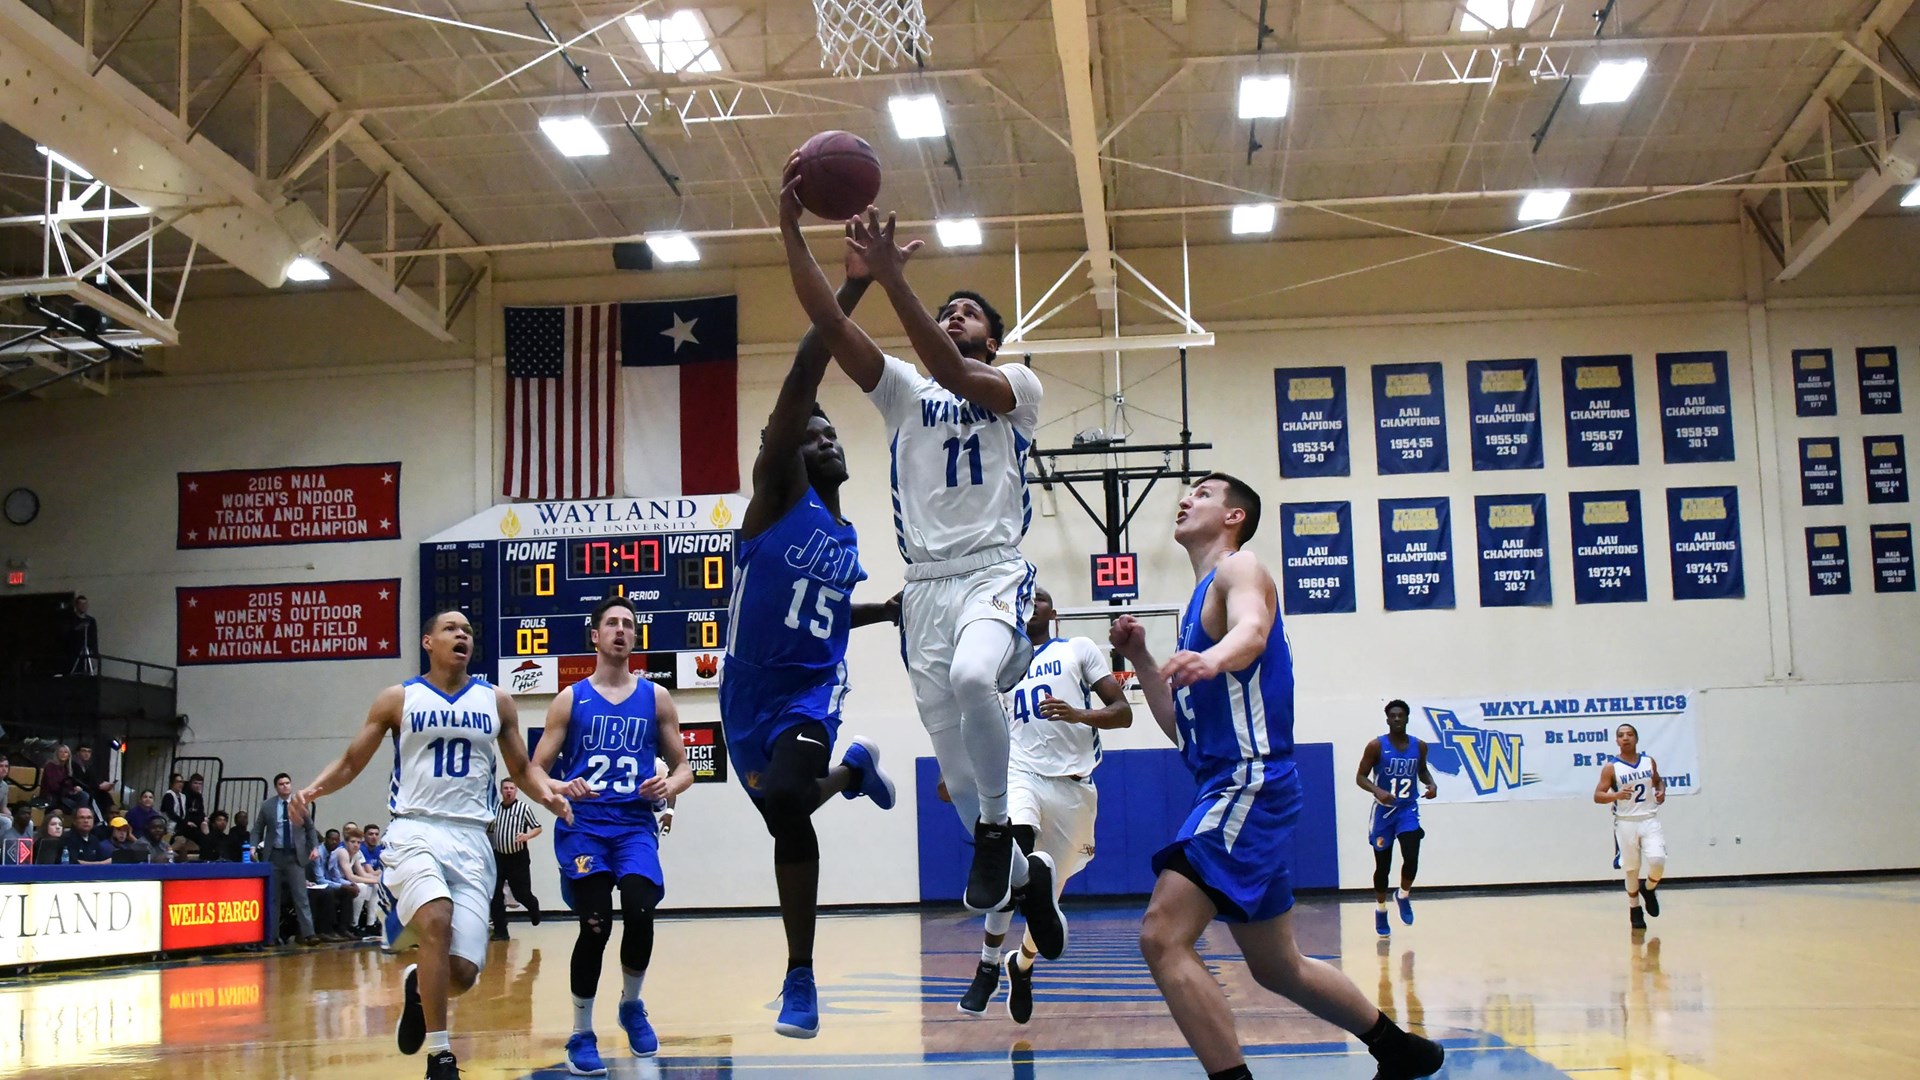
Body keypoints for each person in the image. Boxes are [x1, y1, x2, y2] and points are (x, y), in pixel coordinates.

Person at [785, 188, 1064, 947]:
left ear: (995, 342)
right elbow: (831, 325)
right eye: (947, 310)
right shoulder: (903, 394)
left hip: (992, 572)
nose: (953, 318)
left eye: (969, 313)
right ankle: (1021, 873)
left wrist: (891, 278)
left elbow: (950, 366)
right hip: (925, 591)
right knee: (962, 782)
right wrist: (792, 230)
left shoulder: (1018, 390)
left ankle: (1003, 830)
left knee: (978, 681)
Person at [1112, 474, 1445, 1080]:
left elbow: (1252, 630)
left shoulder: (1241, 570)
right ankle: (1402, 1050)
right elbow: (1181, 732)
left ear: (1234, 516)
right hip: (1230, 785)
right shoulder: (1193, 604)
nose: (1186, 498)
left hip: (1250, 784)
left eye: (1203, 492)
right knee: (1278, 966)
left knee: (1162, 935)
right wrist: (1141, 658)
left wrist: (1213, 658)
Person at [719, 180, 909, 1042]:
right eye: (811, 432)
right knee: (785, 808)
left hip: (806, 692)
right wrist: (857, 284)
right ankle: (857, 770)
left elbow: (825, 618)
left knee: (789, 800)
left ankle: (800, 975)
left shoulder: (847, 533)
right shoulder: (773, 502)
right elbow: (808, 367)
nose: (825, 435)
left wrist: (886, 613)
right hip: (743, 698)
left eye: (835, 433)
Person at [288, 609, 579, 1080]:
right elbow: (349, 760)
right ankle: (441, 1055)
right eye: (451, 629)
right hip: (414, 830)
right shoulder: (398, 698)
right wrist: (313, 790)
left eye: (468, 630)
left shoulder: (497, 701)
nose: (462, 634)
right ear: (428, 641)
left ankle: (416, 987)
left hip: (472, 839)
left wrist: (550, 796)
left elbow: (522, 770)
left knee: (461, 972)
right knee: (437, 917)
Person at [957, 585, 1131, 1022]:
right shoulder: (999, 667)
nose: (1030, 603)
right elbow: (979, 725)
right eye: (1025, 598)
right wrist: (955, 770)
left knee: (1044, 901)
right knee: (1009, 852)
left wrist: (1078, 714)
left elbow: (1122, 712)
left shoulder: (1078, 648)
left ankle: (1022, 964)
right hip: (1021, 773)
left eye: (1039, 598)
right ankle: (988, 965)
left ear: (1054, 613)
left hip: (1073, 786)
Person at [534, 596, 691, 1074]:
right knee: (596, 922)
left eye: (628, 624)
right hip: (585, 828)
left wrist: (670, 783)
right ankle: (581, 1032)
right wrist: (561, 787)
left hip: (633, 825)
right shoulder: (570, 699)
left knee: (641, 910)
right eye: (612, 623)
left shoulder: (656, 698)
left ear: (635, 637)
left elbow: (686, 768)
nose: (620, 630)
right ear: (595, 635)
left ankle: (631, 1005)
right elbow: (534, 771)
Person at [1356, 700, 1437, 937]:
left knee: (1411, 855)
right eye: (1393, 715)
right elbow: (1360, 777)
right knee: (1383, 866)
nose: (1397, 719)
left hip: (1407, 809)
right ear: (1388, 719)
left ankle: (1403, 895)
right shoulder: (1375, 746)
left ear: (1407, 718)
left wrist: (1430, 784)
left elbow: (1422, 770)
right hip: (1383, 811)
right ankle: (1381, 910)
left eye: (1401, 715)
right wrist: (1376, 790)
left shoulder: (1419, 746)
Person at [1595, 723, 1666, 930]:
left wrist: (1661, 791)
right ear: (1616, 741)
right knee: (1632, 869)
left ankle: (1649, 888)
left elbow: (1659, 782)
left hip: (1649, 819)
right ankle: (1634, 908)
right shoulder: (1611, 767)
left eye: (1629, 734)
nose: (1625, 738)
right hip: (1626, 822)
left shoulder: (1648, 762)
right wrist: (1615, 795)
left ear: (1636, 738)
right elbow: (1598, 796)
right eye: (1621, 735)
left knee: (1657, 860)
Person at [255, 774, 322, 946]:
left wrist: (314, 847)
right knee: (273, 897)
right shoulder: (268, 806)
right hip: (274, 855)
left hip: (295, 855)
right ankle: (271, 935)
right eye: (281, 784)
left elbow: (310, 828)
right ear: (276, 787)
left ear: (291, 785)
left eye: (287, 783)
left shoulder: (299, 804)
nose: (285, 786)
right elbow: (257, 828)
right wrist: (253, 845)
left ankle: (308, 934)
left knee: (301, 896)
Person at [487, 779, 543, 941]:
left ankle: (533, 907)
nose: (509, 791)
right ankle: (501, 931)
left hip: (518, 858)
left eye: (512, 788)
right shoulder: (495, 809)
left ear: (516, 790)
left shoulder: (523, 808)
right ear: (501, 790)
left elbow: (538, 827)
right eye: (506, 788)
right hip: (499, 857)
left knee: (521, 894)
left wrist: (527, 836)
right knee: (495, 895)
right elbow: (490, 829)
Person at [341, 827, 382, 935]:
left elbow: (362, 874)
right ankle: (353, 924)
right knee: (362, 887)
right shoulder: (342, 852)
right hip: (336, 881)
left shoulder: (356, 854)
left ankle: (370, 924)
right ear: (345, 842)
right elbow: (350, 876)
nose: (356, 845)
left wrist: (378, 880)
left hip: (345, 881)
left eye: (358, 842)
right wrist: (374, 880)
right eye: (353, 842)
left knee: (375, 886)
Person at [73, 745, 114, 812]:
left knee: (104, 794)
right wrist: (98, 786)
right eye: (84, 751)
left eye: (89, 752)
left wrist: (102, 786)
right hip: (80, 792)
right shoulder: (73, 765)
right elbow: (79, 782)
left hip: (91, 790)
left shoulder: (90, 767)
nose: (87, 754)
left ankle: (113, 813)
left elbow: (92, 782)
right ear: (78, 753)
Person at [66, 594, 99, 675]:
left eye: (85, 604)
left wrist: (95, 655)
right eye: (81, 604)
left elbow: (94, 638)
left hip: (88, 654)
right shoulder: (70, 619)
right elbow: (66, 635)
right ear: (76, 605)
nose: (83, 606)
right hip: (73, 655)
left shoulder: (91, 620)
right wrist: (78, 628)